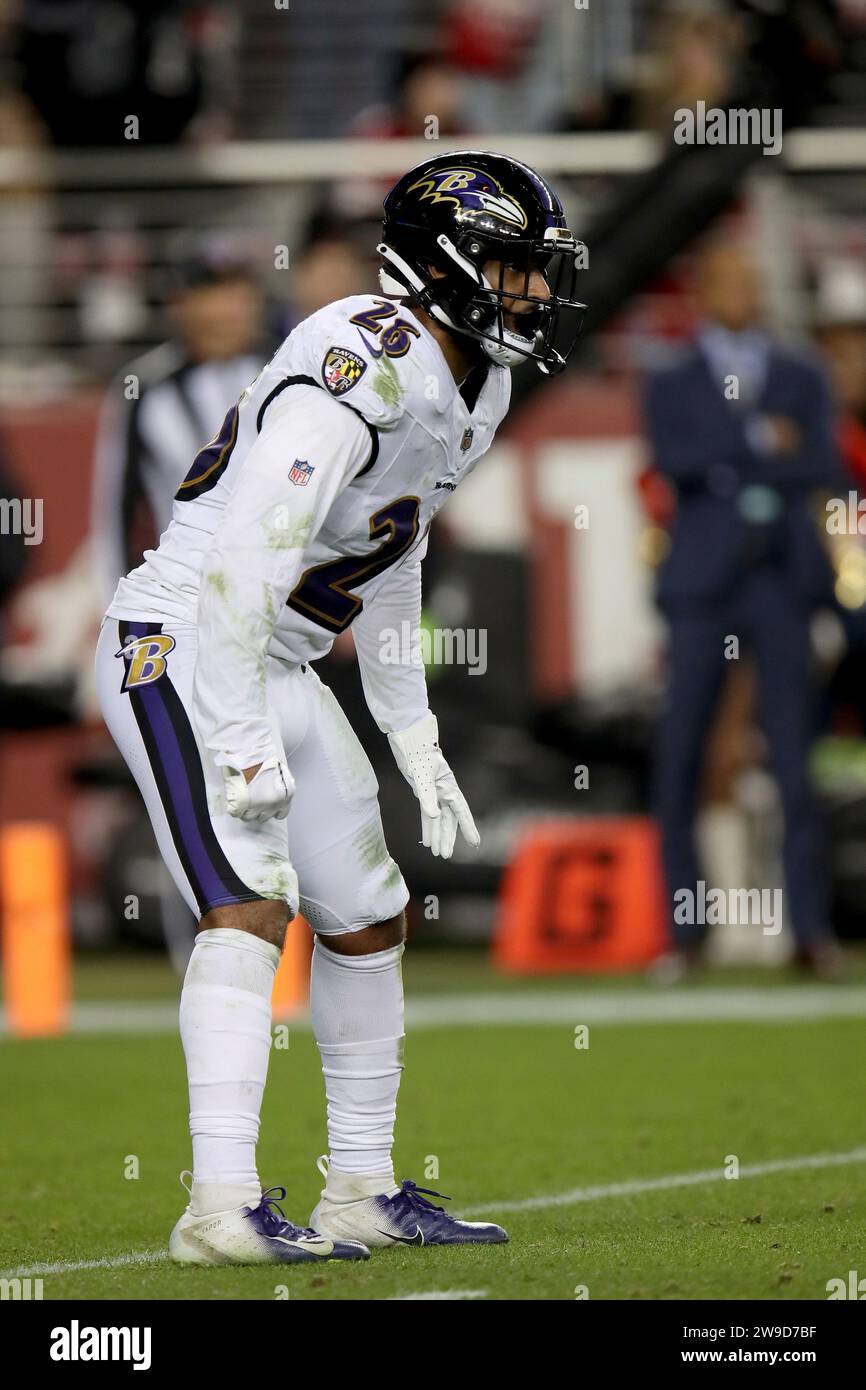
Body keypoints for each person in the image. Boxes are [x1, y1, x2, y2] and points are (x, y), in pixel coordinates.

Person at [95, 151, 586, 1265]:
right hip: (185, 638)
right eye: (514, 268)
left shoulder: (479, 383)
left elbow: (393, 548)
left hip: (278, 650)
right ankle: (217, 1205)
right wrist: (235, 736)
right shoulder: (362, 355)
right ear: (445, 263)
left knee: (368, 912)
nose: (536, 294)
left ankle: (359, 1188)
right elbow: (244, 564)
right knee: (248, 906)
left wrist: (408, 727)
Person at [646, 241, 843, 979]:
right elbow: (675, 460)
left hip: (782, 582)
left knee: (796, 760)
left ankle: (809, 930)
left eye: (751, 280)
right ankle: (683, 933)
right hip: (702, 584)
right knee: (682, 756)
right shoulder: (673, 379)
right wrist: (762, 443)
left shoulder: (798, 372)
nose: (742, 292)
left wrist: (733, 461)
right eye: (729, 279)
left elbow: (820, 462)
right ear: (702, 290)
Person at [91, 247, 267, 604]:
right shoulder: (144, 388)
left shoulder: (285, 373)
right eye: (214, 293)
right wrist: (120, 605)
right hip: (185, 595)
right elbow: (116, 511)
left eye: (240, 291)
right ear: (181, 304)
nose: (230, 307)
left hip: (282, 595)